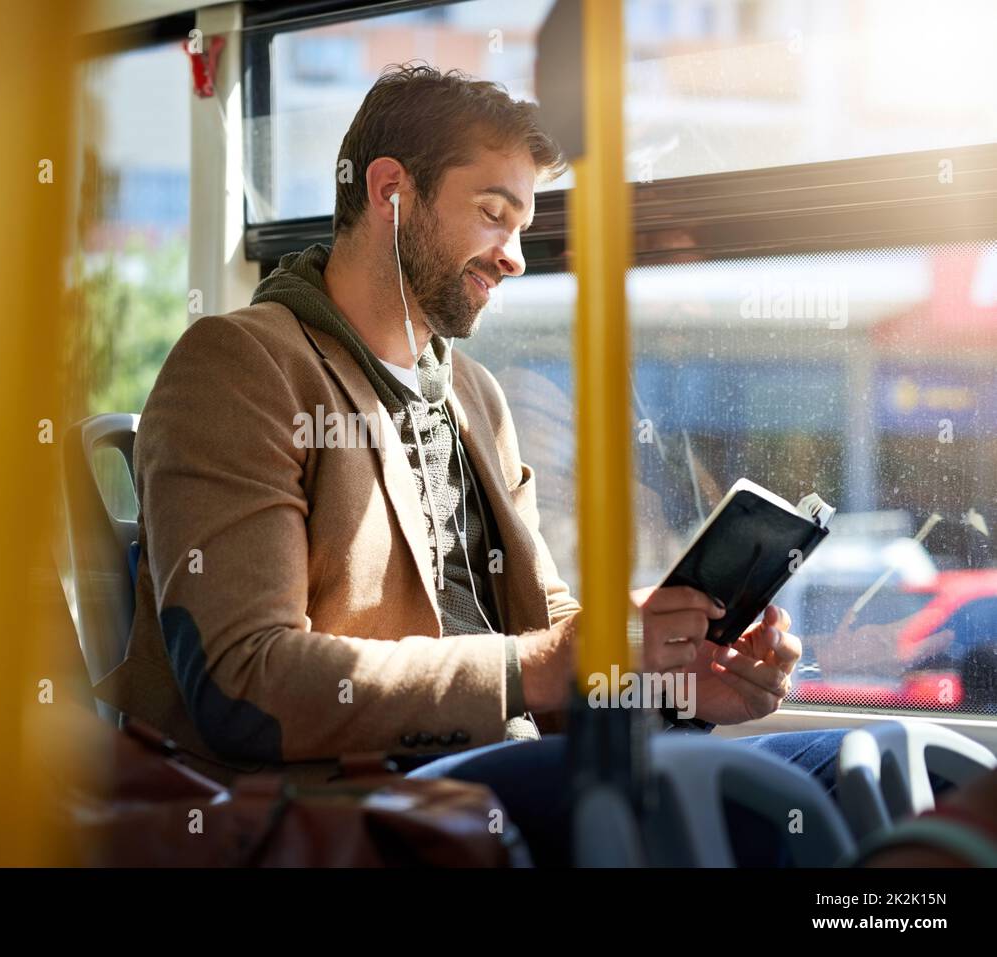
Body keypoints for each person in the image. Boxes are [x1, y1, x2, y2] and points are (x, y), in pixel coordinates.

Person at [94, 63, 845, 852]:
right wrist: (547, 666)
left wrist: (666, 682)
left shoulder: (473, 398)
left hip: (507, 764)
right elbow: (244, 680)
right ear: (390, 193)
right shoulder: (242, 366)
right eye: (494, 215)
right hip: (365, 792)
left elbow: (548, 627)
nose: (515, 256)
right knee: (736, 807)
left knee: (852, 766)